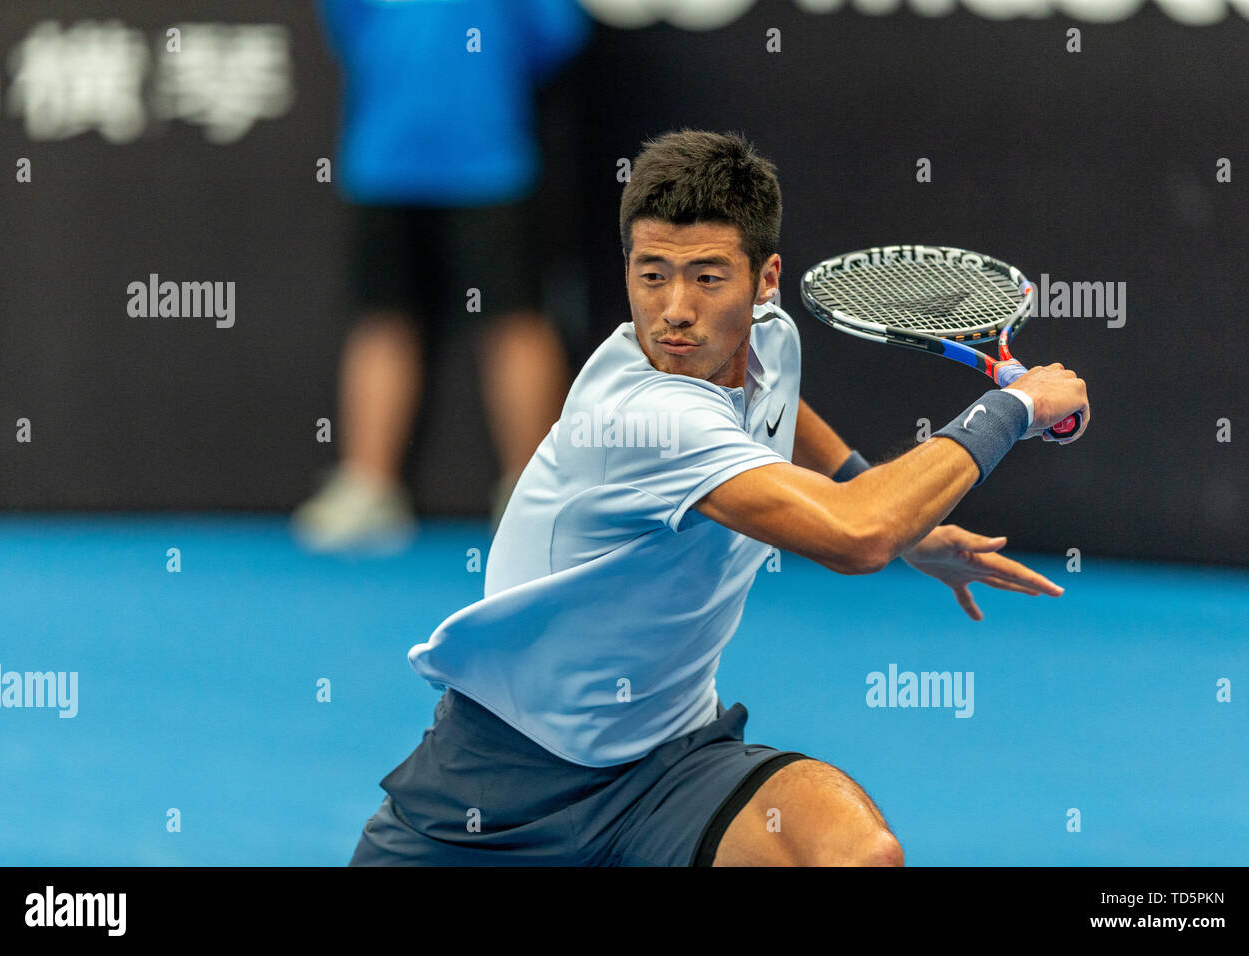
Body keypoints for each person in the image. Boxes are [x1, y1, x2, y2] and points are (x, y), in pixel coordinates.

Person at [348, 129, 1090, 866]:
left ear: (765, 279)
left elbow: (780, 410)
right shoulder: (646, 416)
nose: (675, 309)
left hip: (667, 770)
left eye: (706, 277)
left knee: (853, 854)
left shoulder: (768, 339)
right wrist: (1014, 409)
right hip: (496, 794)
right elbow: (858, 537)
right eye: (651, 275)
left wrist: (902, 518)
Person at [294, 0, 591, 551]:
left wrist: (483, 73)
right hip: (383, 158)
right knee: (382, 318)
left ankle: (532, 497)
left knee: (513, 318)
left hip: (492, 159)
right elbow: (348, 25)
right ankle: (369, 487)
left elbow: (554, 31)